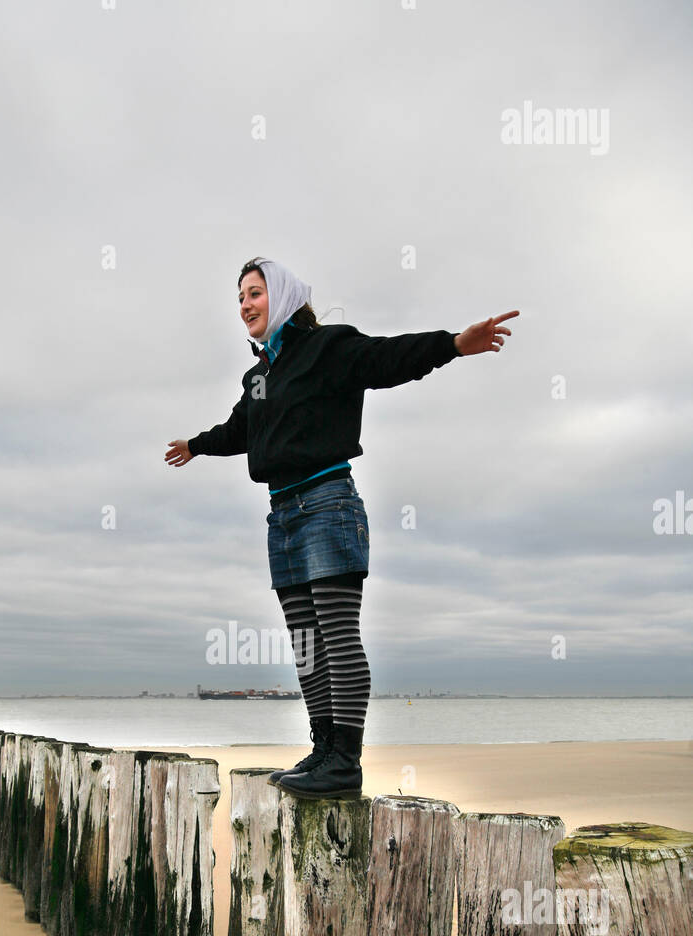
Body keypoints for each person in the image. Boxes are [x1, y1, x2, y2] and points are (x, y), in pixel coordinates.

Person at [166, 256, 518, 798]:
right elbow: (243, 426)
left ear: (281, 296)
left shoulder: (327, 348)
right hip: (281, 516)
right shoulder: (260, 376)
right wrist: (197, 444)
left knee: (336, 634)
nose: (244, 306)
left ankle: (346, 762)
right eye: (239, 297)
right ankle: (323, 750)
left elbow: (387, 358)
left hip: (328, 504)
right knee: (306, 642)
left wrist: (452, 344)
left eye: (254, 293)